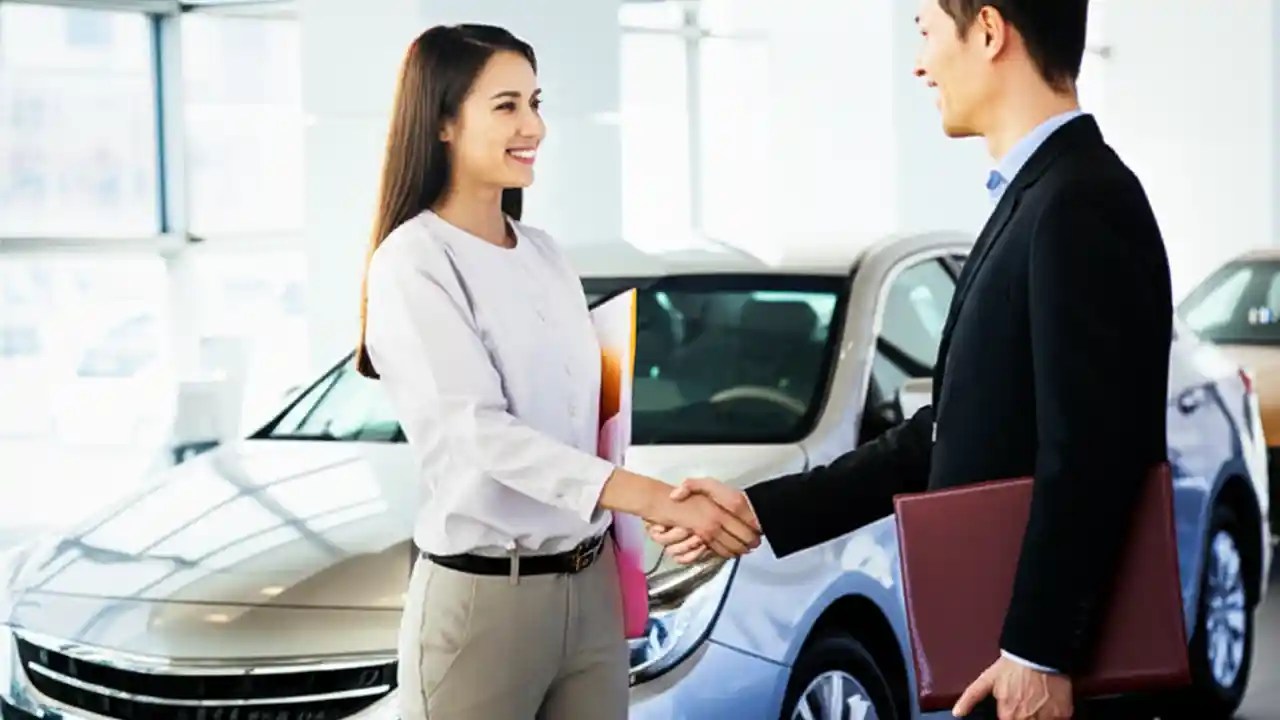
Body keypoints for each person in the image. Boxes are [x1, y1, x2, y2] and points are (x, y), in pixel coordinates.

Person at [651, 1, 1172, 718]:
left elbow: (1089, 455)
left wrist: (1039, 653)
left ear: (989, 32)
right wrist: (759, 510)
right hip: (1005, 660)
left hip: (1044, 679)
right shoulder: (1040, 197)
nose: (919, 64)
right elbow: (945, 434)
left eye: (925, 32)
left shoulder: (1081, 202)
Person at [356, 24, 759, 720]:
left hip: (590, 586)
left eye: (537, 102)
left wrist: (639, 514)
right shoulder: (413, 260)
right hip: (487, 600)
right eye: (507, 105)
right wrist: (651, 497)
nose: (534, 126)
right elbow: (481, 434)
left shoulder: (544, 252)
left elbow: (585, 422)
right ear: (445, 121)